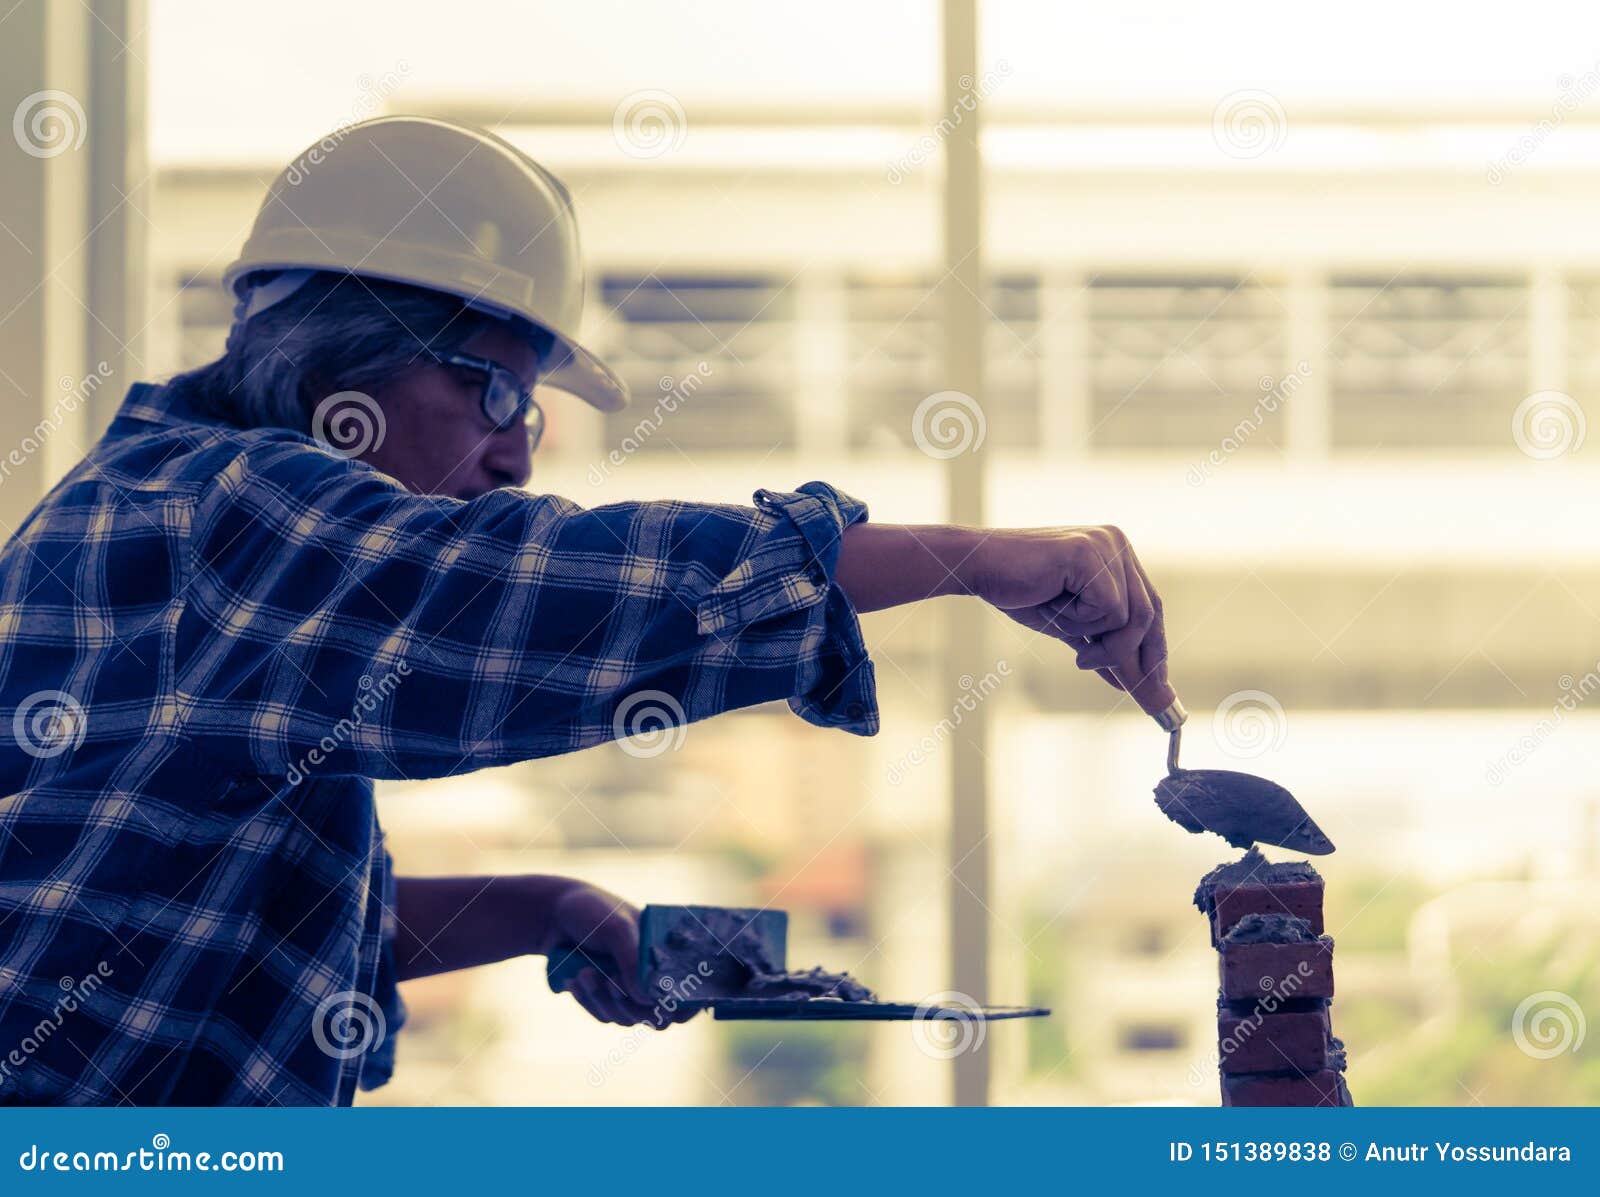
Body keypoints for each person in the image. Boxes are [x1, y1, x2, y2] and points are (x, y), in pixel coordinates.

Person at [0, 116, 1176, 1105]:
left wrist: (546, 906)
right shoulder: (228, 518)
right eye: (493, 390)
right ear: (333, 360)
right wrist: (966, 556)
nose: (516, 454)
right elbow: (523, 594)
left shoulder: (201, 539)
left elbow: (239, 927)